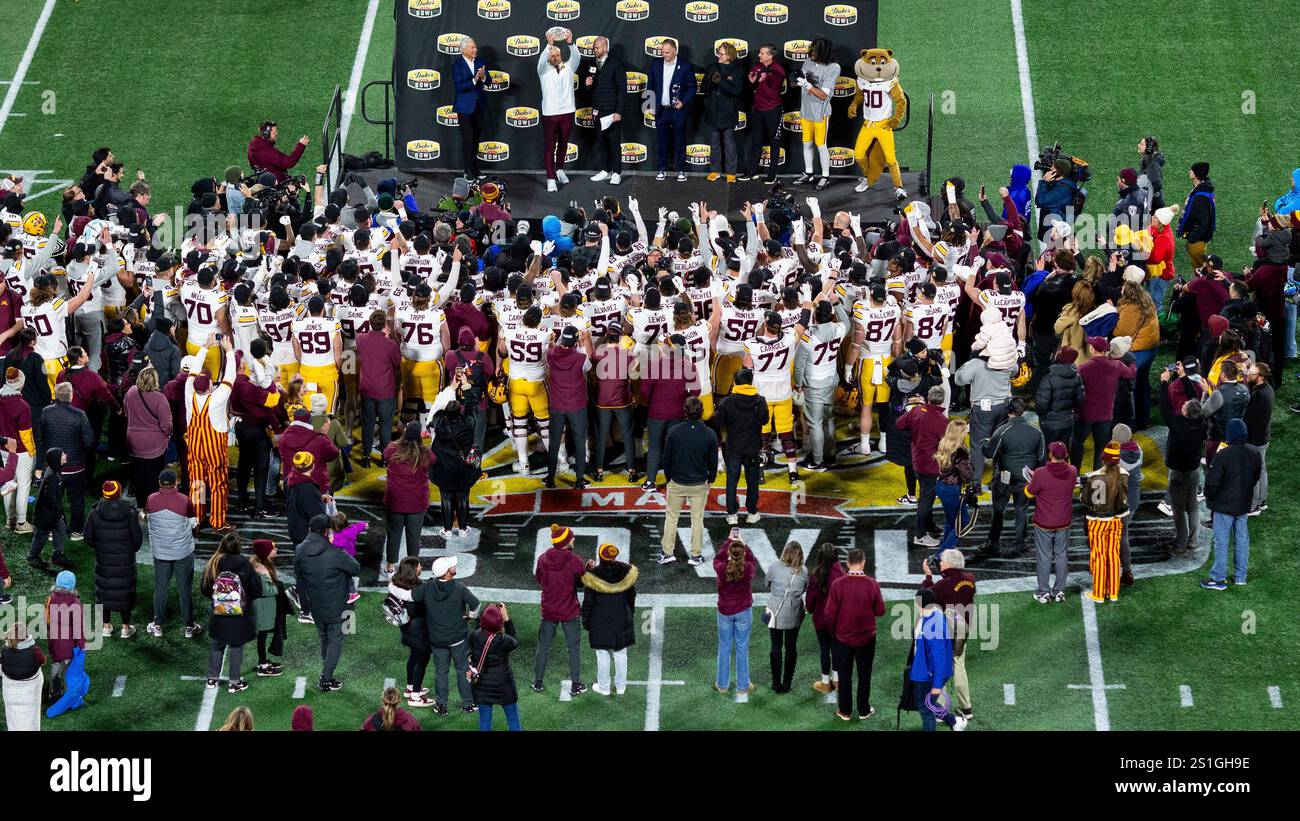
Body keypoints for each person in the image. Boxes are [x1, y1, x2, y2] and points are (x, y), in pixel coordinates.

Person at [294, 514, 359, 691]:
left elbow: (299, 574)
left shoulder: (300, 549)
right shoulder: (335, 552)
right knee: (336, 640)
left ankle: (327, 670)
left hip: (315, 603)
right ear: (326, 532)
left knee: (324, 637)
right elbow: (355, 568)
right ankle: (326, 678)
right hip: (337, 604)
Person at [414, 555, 480, 716]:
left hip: (437, 639)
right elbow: (476, 604)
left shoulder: (427, 587)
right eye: (451, 567)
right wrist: (470, 616)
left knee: (441, 672)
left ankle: (441, 705)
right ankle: (468, 704)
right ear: (446, 573)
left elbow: (411, 597)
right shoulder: (459, 588)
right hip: (458, 638)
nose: (454, 567)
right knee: (462, 670)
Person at [824, 548, 885, 720]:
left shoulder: (838, 584)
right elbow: (880, 611)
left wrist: (834, 632)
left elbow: (829, 613)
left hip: (842, 637)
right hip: (866, 637)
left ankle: (845, 711)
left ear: (847, 563)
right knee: (864, 674)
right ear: (864, 562)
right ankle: (864, 710)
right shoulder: (872, 584)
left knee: (844, 675)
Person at [979, 398, 1044, 558]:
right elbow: (1041, 458)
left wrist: (983, 442)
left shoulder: (1002, 431)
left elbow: (989, 453)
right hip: (1026, 479)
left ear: (1009, 411)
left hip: (1004, 479)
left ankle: (993, 543)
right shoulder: (1036, 431)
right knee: (1021, 510)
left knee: (999, 511)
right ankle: (1020, 545)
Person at [1201, 419, 1262, 590]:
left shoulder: (1224, 454)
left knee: (1221, 542)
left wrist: (1209, 496)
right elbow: (1255, 477)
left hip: (1224, 506)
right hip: (1243, 505)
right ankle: (1240, 577)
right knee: (1242, 541)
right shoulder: (1254, 452)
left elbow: (1212, 482)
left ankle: (1218, 579)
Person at [533, 524, 592, 696]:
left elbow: (539, 579)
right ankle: (575, 685)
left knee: (543, 647)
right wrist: (588, 570)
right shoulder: (575, 560)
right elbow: (581, 583)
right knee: (573, 648)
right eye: (571, 537)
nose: (574, 539)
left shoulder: (543, 558)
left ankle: (538, 682)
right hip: (569, 610)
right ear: (566, 542)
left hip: (549, 609)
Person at [657, 396, 717, 565]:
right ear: (702, 413)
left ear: (684, 412)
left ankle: (667, 553)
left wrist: (669, 479)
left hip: (677, 483)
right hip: (699, 484)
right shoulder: (709, 434)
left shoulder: (674, 431)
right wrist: (710, 479)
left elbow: (666, 459)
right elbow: (712, 461)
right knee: (697, 519)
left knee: (671, 517)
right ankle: (695, 555)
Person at [199, 533, 262, 692]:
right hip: (239, 615)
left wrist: (219, 602)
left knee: (217, 645)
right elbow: (255, 588)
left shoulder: (214, 561)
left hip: (218, 613)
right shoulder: (244, 562)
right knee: (236, 647)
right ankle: (234, 683)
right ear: (237, 546)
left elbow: (205, 588)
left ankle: (212, 679)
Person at [144, 469, 201, 638]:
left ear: (160, 483)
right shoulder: (184, 501)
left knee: (160, 588)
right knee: (185, 589)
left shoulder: (151, 499)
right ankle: (189, 627)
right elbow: (192, 523)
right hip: (182, 552)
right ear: (175, 483)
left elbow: (150, 517)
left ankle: (158, 625)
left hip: (161, 553)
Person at [1158, 369, 1207, 556]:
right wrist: (1183, 377)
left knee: (1178, 509)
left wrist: (1164, 383)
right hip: (1194, 469)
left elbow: (1164, 407)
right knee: (1192, 505)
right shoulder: (1200, 421)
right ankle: (1193, 541)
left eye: (1185, 404)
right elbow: (1196, 400)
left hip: (1179, 472)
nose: (1184, 403)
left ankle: (1180, 544)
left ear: (1186, 412)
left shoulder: (1179, 424)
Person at [84, 480, 141, 639]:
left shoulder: (94, 513)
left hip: (103, 561)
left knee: (104, 592)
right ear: (119, 493)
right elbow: (137, 538)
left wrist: (101, 548)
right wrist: (129, 551)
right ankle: (125, 628)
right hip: (126, 562)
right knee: (125, 592)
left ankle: (106, 627)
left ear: (104, 494)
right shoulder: (130, 513)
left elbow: (88, 538)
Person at [581, 542, 638, 696]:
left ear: (601, 557)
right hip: (622, 617)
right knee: (620, 654)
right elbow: (632, 596)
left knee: (602, 654)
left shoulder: (593, 575)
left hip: (600, 620)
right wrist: (629, 613)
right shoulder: (627, 572)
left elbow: (588, 602)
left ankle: (604, 687)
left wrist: (586, 621)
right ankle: (621, 687)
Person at [896, 386, 949, 547]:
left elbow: (899, 424)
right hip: (931, 466)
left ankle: (929, 526)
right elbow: (947, 443)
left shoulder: (916, 411)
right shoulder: (941, 420)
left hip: (917, 461)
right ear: (941, 400)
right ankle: (919, 535)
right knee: (926, 500)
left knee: (927, 497)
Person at [38, 383, 93, 541]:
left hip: (54, 467)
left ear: (55, 395)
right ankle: (76, 531)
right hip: (75, 467)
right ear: (70, 396)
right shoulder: (79, 414)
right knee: (76, 499)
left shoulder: (45, 412)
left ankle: (50, 530)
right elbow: (89, 441)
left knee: (53, 499)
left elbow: (41, 437)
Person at [1026, 442, 1079, 603]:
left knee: (1044, 556)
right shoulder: (1073, 470)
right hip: (1064, 520)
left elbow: (1029, 493)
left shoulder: (1041, 473)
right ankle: (1059, 590)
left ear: (1050, 455)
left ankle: (1044, 591)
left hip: (1044, 521)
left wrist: (1033, 477)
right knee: (1062, 555)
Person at [381, 422, 434, 582]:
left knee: (394, 534)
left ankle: (390, 567)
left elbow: (385, 454)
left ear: (404, 433)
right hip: (417, 503)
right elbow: (433, 458)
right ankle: (413, 570)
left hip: (396, 501)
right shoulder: (426, 453)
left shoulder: (392, 449)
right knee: (414, 536)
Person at [1072, 337, 1136, 470]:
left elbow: (1075, 388)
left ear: (1093, 349)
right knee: (1101, 448)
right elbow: (1131, 374)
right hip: (1105, 416)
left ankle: (1075, 474)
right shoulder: (1117, 366)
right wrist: (1132, 361)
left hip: (1085, 414)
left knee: (1077, 443)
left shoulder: (1084, 367)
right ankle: (1097, 475)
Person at [909, 587, 968, 731]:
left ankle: (953, 721)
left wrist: (936, 685)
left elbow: (939, 658)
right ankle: (954, 722)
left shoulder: (932, 626)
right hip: (926, 670)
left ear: (919, 604)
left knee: (925, 708)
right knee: (928, 703)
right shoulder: (935, 614)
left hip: (928, 674)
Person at [715, 368, 766, 526]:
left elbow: (718, 422)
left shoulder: (727, 402)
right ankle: (752, 512)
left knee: (732, 480)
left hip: (734, 448)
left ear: (736, 382)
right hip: (752, 448)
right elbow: (764, 420)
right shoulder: (760, 401)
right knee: (752, 481)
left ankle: (732, 514)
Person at [1080, 442, 1128, 603]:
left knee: (1099, 556)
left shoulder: (1094, 476)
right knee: (1113, 555)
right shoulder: (1123, 474)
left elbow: (1085, 500)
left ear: (1104, 459)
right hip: (1116, 520)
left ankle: (1099, 593)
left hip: (1098, 522)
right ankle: (1113, 592)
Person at [544, 325, 591, 488]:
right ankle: (579, 480)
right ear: (575, 341)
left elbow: (551, 357)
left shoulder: (550, 355)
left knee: (554, 442)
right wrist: (583, 344)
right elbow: (588, 369)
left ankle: (550, 478)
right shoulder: (581, 357)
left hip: (557, 404)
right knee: (579, 441)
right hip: (576, 405)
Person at [537, 28, 581, 193]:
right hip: (550, 114)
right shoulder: (543, 70)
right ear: (549, 56)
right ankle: (550, 179)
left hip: (568, 112)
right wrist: (549, 46)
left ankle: (560, 169)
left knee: (563, 143)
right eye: (552, 55)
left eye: (558, 55)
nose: (555, 58)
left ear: (562, 56)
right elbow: (541, 61)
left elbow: (577, 57)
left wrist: (570, 43)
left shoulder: (569, 67)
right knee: (550, 147)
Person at [355, 309, 400, 466]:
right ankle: (384, 459)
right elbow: (398, 362)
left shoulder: (361, 338)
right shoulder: (391, 344)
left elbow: (367, 341)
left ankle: (366, 458)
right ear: (385, 325)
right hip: (385, 389)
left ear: (370, 323)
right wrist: (386, 336)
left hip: (367, 389)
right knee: (386, 424)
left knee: (368, 424)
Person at [793, 37, 839, 190]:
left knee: (821, 144)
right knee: (806, 143)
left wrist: (806, 83)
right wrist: (796, 79)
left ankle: (825, 175)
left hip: (820, 112)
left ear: (823, 52)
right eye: (811, 51)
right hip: (805, 111)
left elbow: (823, 95)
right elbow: (798, 81)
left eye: (815, 51)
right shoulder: (808, 62)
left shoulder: (833, 67)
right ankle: (809, 173)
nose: (811, 54)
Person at [713, 534, 756, 697]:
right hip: (743, 612)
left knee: (724, 647)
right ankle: (743, 685)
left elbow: (717, 558)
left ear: (730, 553)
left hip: (724, 612)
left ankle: (722, 685)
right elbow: (752, 561)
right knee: (742, 647)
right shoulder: (748, 568)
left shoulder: (721, 568)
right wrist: (746, 546)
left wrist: (728, 541)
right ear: (743, 553)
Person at [123, 365, 172, 505]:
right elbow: (166, 425)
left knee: (138, 474)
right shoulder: (160, 398)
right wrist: (167, 434)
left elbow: (126, 411)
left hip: (134, 441)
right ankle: (152, 506)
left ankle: (141, 506)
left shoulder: (131, 392)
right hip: (155, 444)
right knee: (154, 476)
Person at [387, 557, 433, 706]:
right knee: (422, 659)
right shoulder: (416, 589)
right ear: (413, 570)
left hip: (406, 629)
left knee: (414, 655)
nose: (421, 568)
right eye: (419, 566)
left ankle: (410, 688)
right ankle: (415, 697)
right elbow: (421, 608)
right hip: (419, 631)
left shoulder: (396, 583)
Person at [648, 38, 695, 182]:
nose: (664, 55)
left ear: (675, 51)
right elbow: (650, 86)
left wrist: (684, 102)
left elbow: (692, 88)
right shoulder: (655, 64)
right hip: (661, 110)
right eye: (662, 52)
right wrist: (649, 106)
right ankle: (661, 169)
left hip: (677, 111)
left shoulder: (685, 66)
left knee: (679, 141)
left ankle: (681, 170)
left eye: (667, 52)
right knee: (661, 142)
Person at [468, 603, 521, 731]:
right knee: (513, 720)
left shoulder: (473, 636)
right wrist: (506, 618)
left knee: (485, 722)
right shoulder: (503, 641)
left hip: (481, 685)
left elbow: (478, 629)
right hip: (504, 686)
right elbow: (514, 640)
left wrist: (487, 614)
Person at [739, 44, 786, 184]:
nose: (759, 55)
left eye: (762, 53)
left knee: (774, 142)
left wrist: (764, 81)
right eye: (759, 53)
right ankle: (752, 171)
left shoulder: (778, 70)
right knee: (756, 141)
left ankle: (772, 174)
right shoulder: (757, 67)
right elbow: (751, 87)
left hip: (773, 109)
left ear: (770, 56)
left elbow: (773, 94)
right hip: (758, 109)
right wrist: (752, 83)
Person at [765, 542, 807, 694]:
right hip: (794, 611)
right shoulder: (803, 571)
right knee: (791, 647)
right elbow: (804, 588)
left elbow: (766, 583)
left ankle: (776, 683)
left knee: (775, 646)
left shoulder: (775, 567)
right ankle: (787, 683)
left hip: (775, 610)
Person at [585, 37, 627, 185]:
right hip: (597, 109)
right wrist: (588, 84)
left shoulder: (616, 65)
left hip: (612, 111)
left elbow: (622, 90)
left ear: (605, 48)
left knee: (614, 142)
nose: (594, 50)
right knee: (601, 141)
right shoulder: (591, 64)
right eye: (594, 47)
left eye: (597, 47)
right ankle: (605, 170)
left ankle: (616, 172)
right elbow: (589, 89)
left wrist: (619, 111)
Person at [804, 543, 845, 694]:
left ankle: (826, 683)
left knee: (824, 649)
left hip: (821, 620)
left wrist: (810, 609)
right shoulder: (841, 573)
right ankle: (837, 680)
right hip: (837, 620)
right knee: (836, 649)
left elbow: (810, 602)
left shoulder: (816, 575)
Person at [700, 42, 743, 182]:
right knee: (714, 143)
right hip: (712, 112)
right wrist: (712, 82)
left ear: (729, 55)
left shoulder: (737, 70)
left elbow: (736, 91)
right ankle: (715, 171)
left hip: (728, 113)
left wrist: (721, 81)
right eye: (718, 52)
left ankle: (731, 172)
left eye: (722, 53)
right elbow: (703, 88)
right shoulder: (712, 67)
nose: (719, 55)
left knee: (729, 143)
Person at [0, 366, 35, 530]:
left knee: (8, 484)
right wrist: (33, 452)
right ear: (20, 383)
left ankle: (10, 520)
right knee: (23, 486)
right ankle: (21, 523)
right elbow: (26, 435)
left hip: (3, 449)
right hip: (20, 451)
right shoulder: (22, 406)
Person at [451, 38, 489, 182]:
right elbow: (461, 87)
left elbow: (489, 81)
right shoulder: (457, 66)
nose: (475, 50)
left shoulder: (480, 62)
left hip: (478, 106)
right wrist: (475, 79)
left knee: (476, 140)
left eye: (475, 47)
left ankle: (474, 168)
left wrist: (484, 76)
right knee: (468, 139)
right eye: (472, 48)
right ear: (464, 49)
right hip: (464, 108)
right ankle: (467, 171)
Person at [28, 447, 71, 569]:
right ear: (56, 459)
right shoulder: (52, 476)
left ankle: (57, 555)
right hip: (46, 514)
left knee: (61, 527)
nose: (65, 455)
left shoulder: (53, 471)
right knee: (41, 535)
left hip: (51, 512)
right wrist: (59, 511)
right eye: (63, 454)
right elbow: (50, 498)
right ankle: (33, 557)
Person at [249, 539, 286, 678]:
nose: (275, 550)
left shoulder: (261, 564)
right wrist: (279, 588)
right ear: (266, 552)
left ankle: (262, 661)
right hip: (263, 607)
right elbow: (266, 590)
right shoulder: (261, 569)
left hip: (264, 606)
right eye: (273, 548)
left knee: (263, 635)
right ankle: (263, 665)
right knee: (262, 636)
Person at [934, 418, 973, 552]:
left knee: (951, 521)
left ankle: (946, 548)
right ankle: (942, 552)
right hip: (952, 489)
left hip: (941, 486)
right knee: (963, 522)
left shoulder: (944, 444)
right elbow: (966, 474)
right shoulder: (960, 451)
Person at [1, 622, 45, 731]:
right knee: (31, 723)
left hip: (10, 695)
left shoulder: (4, 651)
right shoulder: (35, 651)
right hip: (31, 696)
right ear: (25, 635)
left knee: (13, 723)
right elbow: (43, 662)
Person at [1243, 362, 1273, 515]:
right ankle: (1261, 501)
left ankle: (1253, 506)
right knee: (1261, 470)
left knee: (1253, 472)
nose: (1248, 375)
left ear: (1260, 377)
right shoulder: (1267, 389)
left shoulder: (1259, 395)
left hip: (1255, 440)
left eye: (1252, 374)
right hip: (1263, 437)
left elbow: (1249, 420)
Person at [1179, 161, 1215, 268]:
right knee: (1199, 268)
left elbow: (1203, 222)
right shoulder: (1201, 189)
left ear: (1197, 174)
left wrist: (1193, 238)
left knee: (1203, 269)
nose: (1189, 171)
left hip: (1197, 240)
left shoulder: (1201, 196)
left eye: (1192, 170)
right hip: (1196, 237)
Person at [1034, 158, 1079, 239]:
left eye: (1053, 167)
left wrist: (1044, 182)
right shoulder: (1064, 181)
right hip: (1056, 220)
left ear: (1058, 172)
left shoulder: (1063, 190)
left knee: (1054, 248)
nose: (1050, 168)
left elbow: (1040, 201)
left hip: (1056, 228)